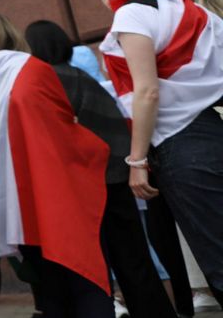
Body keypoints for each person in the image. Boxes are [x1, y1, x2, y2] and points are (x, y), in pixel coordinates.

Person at [73, 0, 223, 306]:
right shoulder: (187, 10)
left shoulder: (132, 19)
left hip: (176, 145)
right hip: (210, 130)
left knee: (217, 259)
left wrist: (136, 160)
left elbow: (147, 91)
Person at [0, 13, 113, 318]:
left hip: (17, 215)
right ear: (15, 35)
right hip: (60, 198)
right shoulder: (32, 70)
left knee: (50, 293)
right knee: (86, 283)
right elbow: (64, 129)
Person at [25, 19, 176, 318]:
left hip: (82, 191)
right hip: (116, 179)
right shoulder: (83, 77)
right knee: (135, 261)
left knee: (93, 271)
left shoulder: (44, 84)